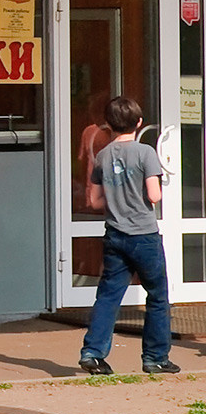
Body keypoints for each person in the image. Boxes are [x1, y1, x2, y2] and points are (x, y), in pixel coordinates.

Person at [80, 94, 178, 377]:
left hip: (115, 235)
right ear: (138, 122)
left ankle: (92, 353)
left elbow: (95, 201)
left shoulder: (103, 155)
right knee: (158, 296)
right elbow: (154, 195)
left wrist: (118, 198)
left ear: (109, 125)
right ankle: (155, 358)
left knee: (108, 296)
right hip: (144, 235)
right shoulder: (145, 153)